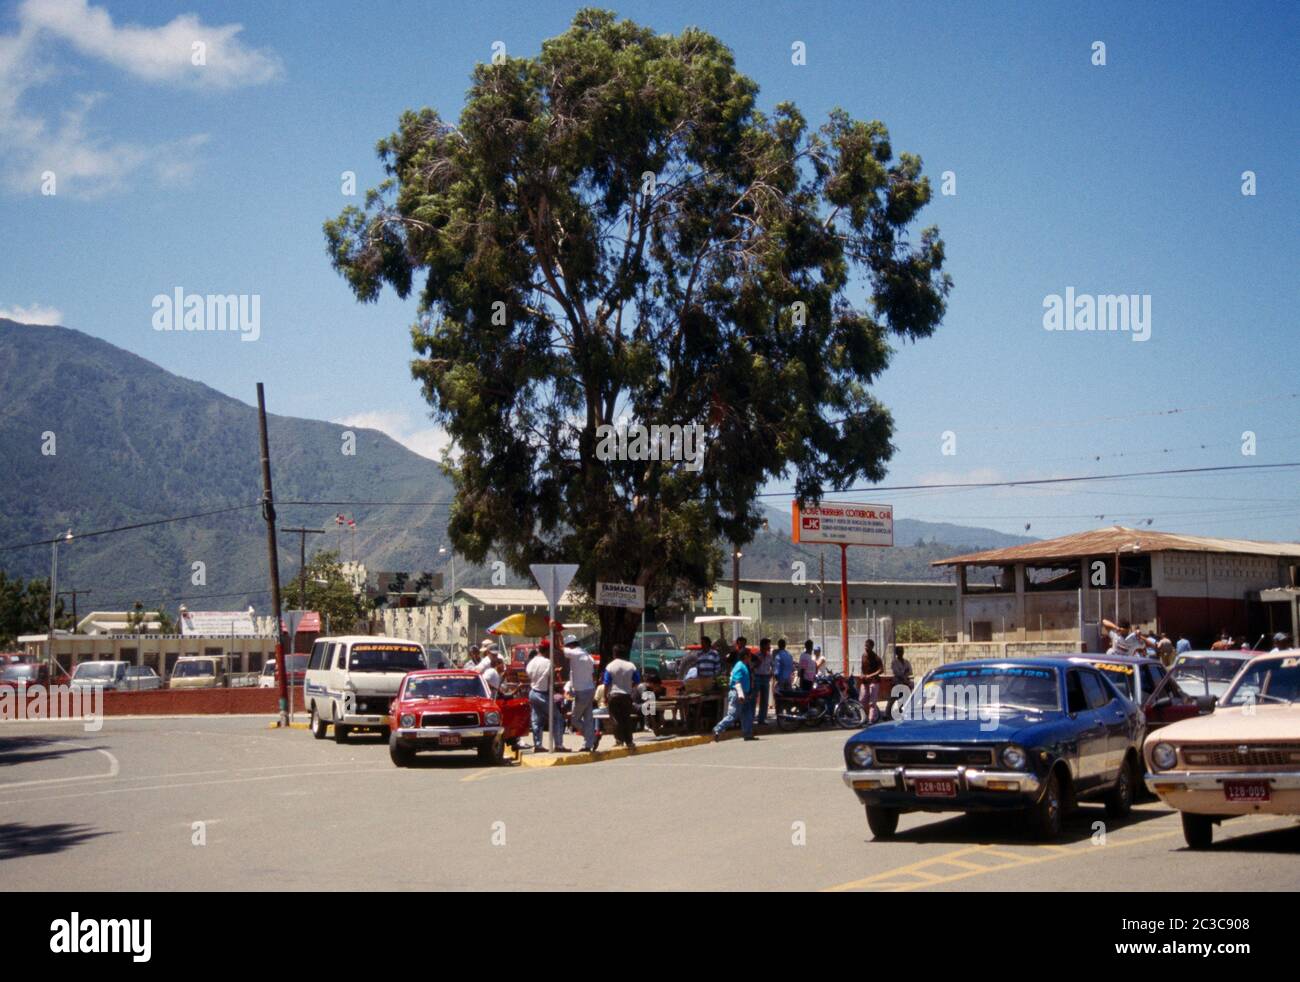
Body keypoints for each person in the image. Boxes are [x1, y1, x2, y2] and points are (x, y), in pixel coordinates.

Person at [526, 643, 564, 753]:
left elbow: (530, 675)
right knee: (557, 718)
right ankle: (559, 745)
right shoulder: (548, 663)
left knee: (537, 720)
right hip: (543, 693)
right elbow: (550, 681)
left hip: (533, 692)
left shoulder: (531, 662)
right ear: (547, 651)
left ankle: (538, 745)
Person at [563, 633, 598, 752]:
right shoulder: (587, 655)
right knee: (588, 718)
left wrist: (555, 632)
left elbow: (558, 648)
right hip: (589, 689)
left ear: (569, 646)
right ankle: (588, 744)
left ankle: (592, 736)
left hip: (582, 691)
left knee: (574, 719)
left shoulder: (574, 653)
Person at [712, 645, 755, 741]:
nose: (750, 657)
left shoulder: (743, 666)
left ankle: (747, 734)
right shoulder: (740, 666)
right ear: (745, 656)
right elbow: (736, 681)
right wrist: (740, 694)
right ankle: (717, 729)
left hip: (744, 694)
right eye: (749, 655)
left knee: (747, 714)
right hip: (738, 693)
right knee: (733, 715)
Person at [603, 644, 641, 750]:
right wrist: (630, 688)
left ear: (614, 654)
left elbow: (606, 683)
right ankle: (629, 741)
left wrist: (605, 696)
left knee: (615, 718)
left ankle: (619, 740)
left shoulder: (610, 666)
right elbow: (637, 682)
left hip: (614, 695)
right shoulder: (631, 666)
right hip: (626, 695)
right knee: (626, 718)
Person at [859, 643, 884, 723]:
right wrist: (862, 675)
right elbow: (862, 668)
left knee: (872, 702)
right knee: (862, 700)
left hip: (874, 681)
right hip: (865, 681)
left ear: (872, 647)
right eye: (865, 646)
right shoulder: (863, 656)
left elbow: (881, 670)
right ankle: (863, 718)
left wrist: (870, 675)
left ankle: (871, 719)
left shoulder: (876, 658)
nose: (866, 647)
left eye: (868, 646)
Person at [886, 645, 913, 719]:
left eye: (902, 651)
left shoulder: (906, 662)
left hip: (905, 683)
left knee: (905, 698)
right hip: (897, 682)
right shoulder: (894, 662)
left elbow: (910, 672)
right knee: (893, 699)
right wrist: (904, 674)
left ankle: (901, 712)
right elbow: (897, 673)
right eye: (899, 651)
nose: (901, 653)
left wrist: (905, 676)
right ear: (896, 653)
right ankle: (887, 714)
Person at [753, 638, 774, 726]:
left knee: (765, 699)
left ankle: (762, 719)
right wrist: (758, 661)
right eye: (767, 645)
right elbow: (752, 666)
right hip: (757, 677)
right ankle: (751, 718)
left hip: (766, 678)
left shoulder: (770, 656)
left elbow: (773, 666)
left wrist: (771, 673)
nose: (769, 647)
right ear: (762, 645)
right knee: (754, 698)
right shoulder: (756, 655)